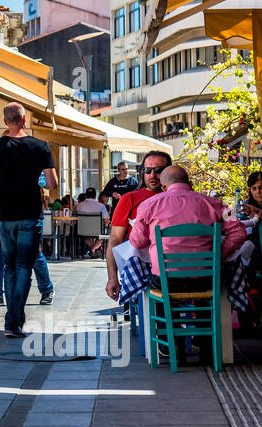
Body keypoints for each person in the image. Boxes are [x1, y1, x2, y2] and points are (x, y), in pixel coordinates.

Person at [128, 165, 247, 364]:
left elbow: (138, 242)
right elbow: (239, 231)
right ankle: (207, 347)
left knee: (156, 289)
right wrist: (218, 254)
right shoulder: (215, 204)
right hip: (205, 278)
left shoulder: (149, 205)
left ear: (164, 187)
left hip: (167, 281)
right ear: (190, 185)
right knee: (206, 292)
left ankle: (171, 347)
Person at [0, 102, 58, 339]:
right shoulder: (40, 147)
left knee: (10, 266)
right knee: (25, 266)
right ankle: (15, 320)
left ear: (6, 122)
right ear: (24, 120)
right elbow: (53, 184)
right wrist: (37, 182)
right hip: (30, 214)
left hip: (6, 216)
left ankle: (12, 319)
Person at [104, 149, 173, 302]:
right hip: (143, 267)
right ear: (142, 172)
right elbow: (115, 239)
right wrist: (112, 278)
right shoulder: (130, 199)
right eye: (148, 170)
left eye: (159, 170)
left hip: (177, 265)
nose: (152, 175)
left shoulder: (178, 198)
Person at [0, 188, 54, 307]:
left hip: (27, 216)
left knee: (34, 255)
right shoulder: (3, 169)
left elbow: (44, 188)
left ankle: (47, 290)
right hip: (4, 217)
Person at [76, 190, 112, 258]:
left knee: (84, 236)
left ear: (86, 195)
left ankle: (93, 249)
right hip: (97, 231)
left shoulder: (79, 205)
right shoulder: (101, 206)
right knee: (104, 234)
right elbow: (106, 221)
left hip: (83, 231)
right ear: (95, 196)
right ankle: (94, 249)